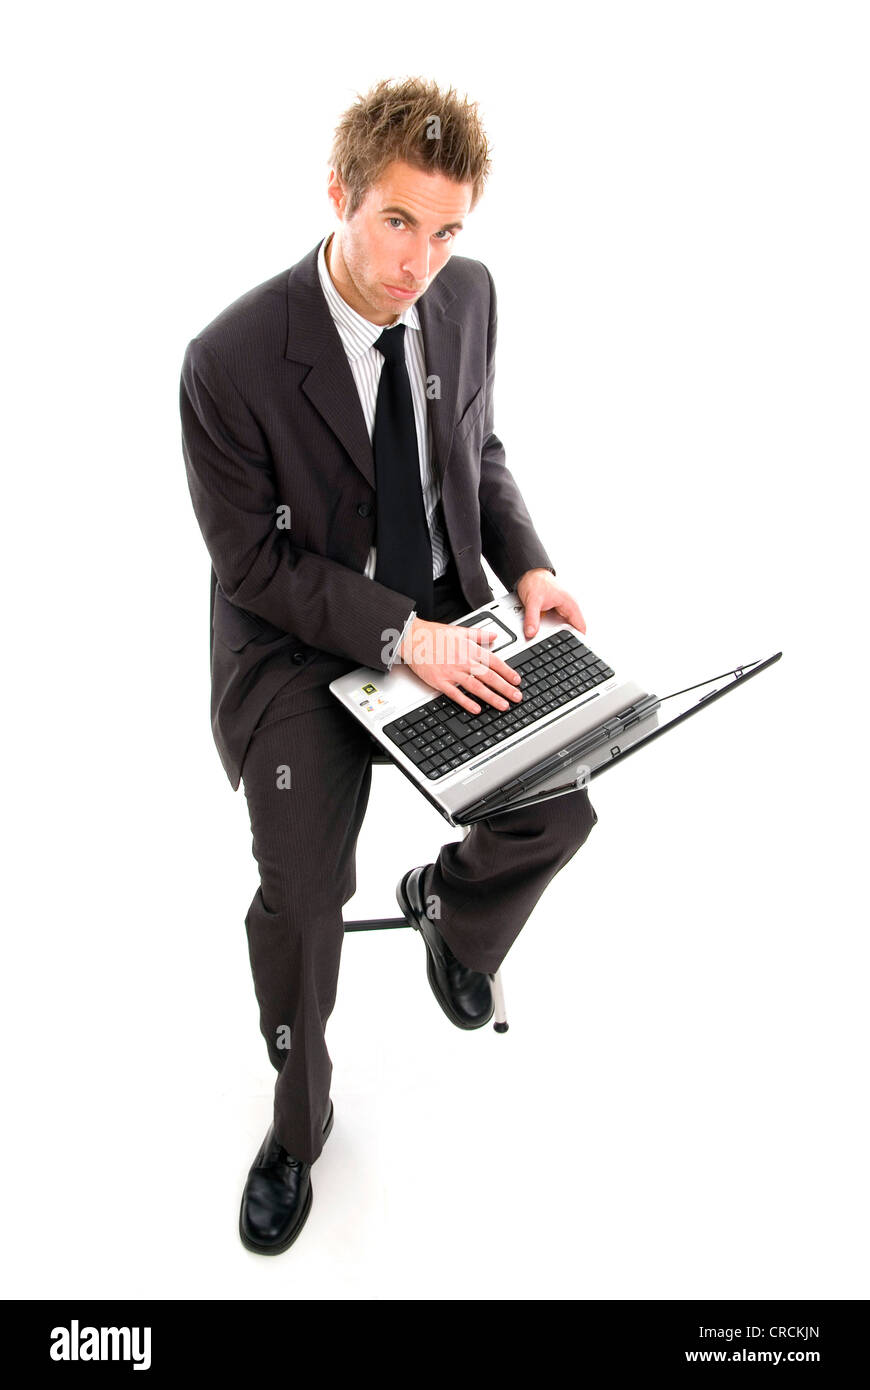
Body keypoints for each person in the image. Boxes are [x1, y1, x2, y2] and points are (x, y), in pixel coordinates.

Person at [179, 76, 598, 1256]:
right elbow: (251, 567)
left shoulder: (468, 297)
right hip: (297, 649)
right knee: (304, 896)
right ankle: (298, 1124)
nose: (423, 260)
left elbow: (481, 443)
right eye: (399, 222)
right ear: (339, 196)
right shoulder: (228, 358)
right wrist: (398, 634)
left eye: (449, 228)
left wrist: (526, 568)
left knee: (561, 809)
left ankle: (450, 916)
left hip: (449, 618)